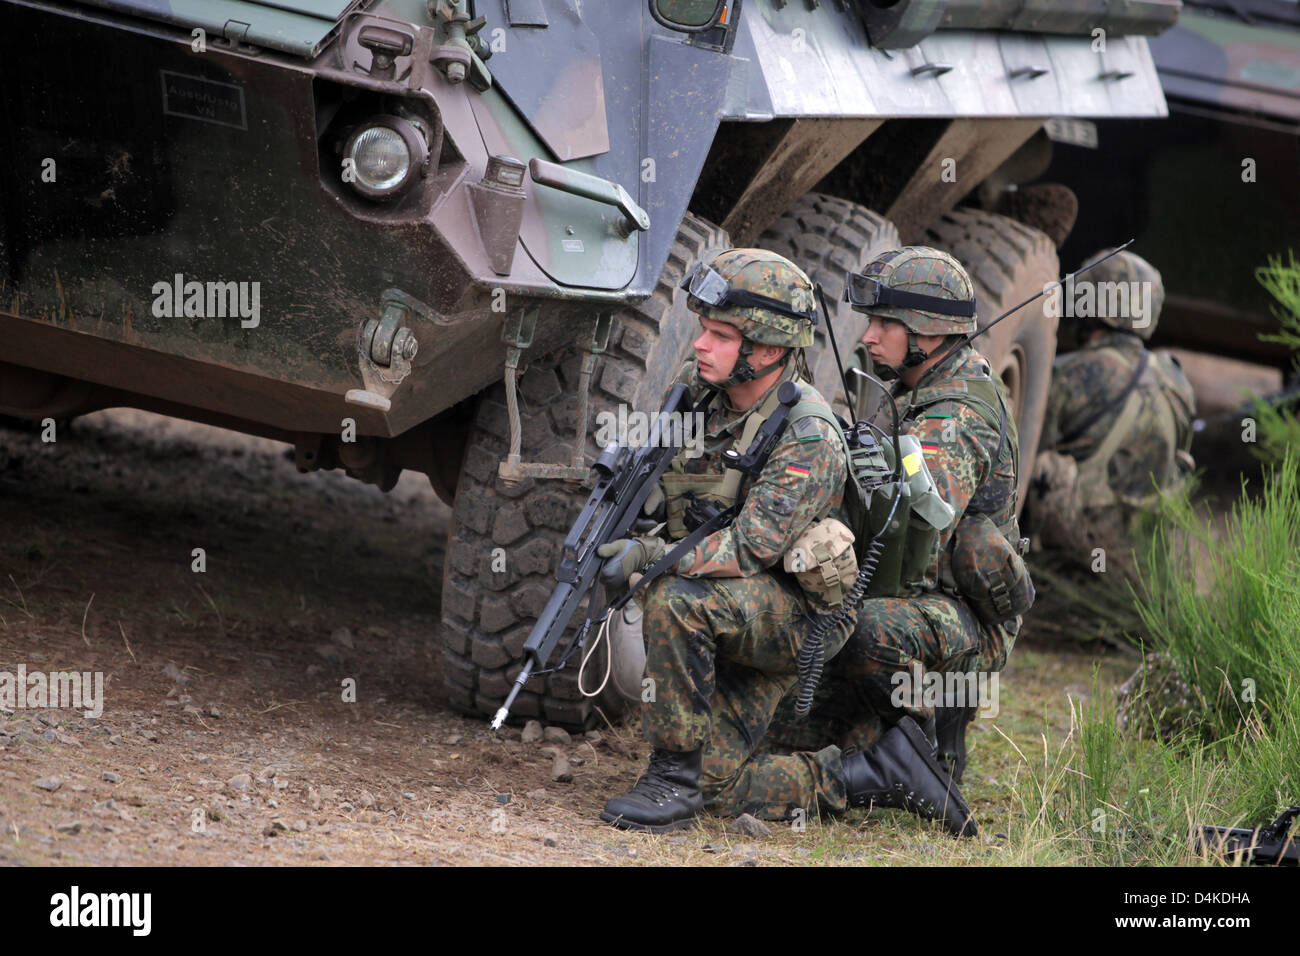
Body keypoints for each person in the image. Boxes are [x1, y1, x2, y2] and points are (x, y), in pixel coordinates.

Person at [756, 246, 1031, 836]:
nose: (870, 336)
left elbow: (918, 529)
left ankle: (930, 741)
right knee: (781, 737)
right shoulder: (916, 383)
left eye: (886, 324)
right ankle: (880, 731)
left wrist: (861, 473)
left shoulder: (958, 414)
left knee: (864, 630)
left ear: (928, 334)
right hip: (912, 592)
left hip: (960, 613)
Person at [595, 247, 860, 834]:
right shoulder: (701, 392)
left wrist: (647, 555)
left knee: (677, 598)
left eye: (719, 334)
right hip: (737, 607)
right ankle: (872, 772)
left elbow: (747, 551)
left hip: (799, 617)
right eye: (702, 330)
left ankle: (671, 782)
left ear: (766, 350)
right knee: (724, 788)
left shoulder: (808, 434)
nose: (699, 345)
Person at [1023, 249, 1196, 573]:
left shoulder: (1069, 373)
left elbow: (1026, 457)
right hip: (1149, 555)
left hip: (1080, 553)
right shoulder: (1177, 379)